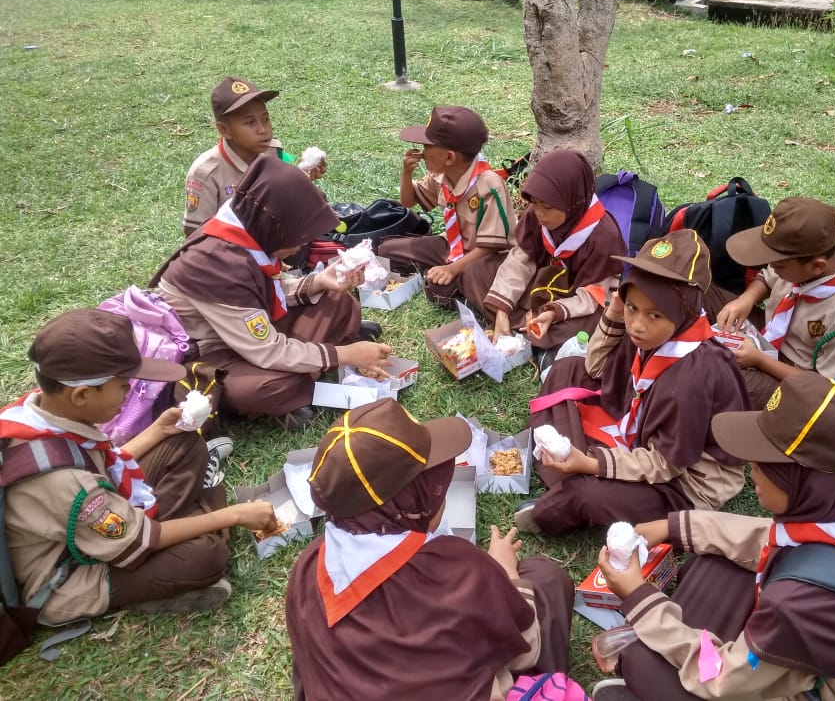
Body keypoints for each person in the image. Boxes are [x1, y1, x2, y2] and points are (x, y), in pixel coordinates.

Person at [590, 371, 835, 700]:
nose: (751, 467)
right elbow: (766, 539)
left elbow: (718, 677)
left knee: (642, 661)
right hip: (789, 653)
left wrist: (639, 598)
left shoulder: (799, 604)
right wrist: (672, 527)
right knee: (713, 563)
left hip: (767, 680)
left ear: (808, 482)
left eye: (766, 462)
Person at [285, 398, 575, 700]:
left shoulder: (306, 568)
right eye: (430, 480)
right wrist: (504, 573)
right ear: (409, 502)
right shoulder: (458, 569)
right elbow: (524, 651)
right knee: (545, 578)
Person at [2, 308, 277, 624]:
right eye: (123, 385)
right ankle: (195, 531)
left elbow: (104, 463)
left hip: (89, 525)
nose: (130, 391)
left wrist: (159, 429)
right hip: (70, 576)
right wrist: (234, 514)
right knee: (205, 556)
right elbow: (141, 539)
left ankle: (197, 515)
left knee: (183, 443)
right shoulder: (63, 480)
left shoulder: (38, 408)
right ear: (80, 395)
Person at [516, 229, 751, 536]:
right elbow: (594, 368)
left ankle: (570, 478)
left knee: (587, 497)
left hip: (684, 481)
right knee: (566, 370)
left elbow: (666, 465)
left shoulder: (695, 376)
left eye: (655, 314)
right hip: (640, 428)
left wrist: (590, 464)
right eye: (632, 307)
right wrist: (614, 314)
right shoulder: (652, 333)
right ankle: (571, 466)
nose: (638, 325)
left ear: (685, 312)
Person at [152, 155, 391, 429]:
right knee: (269, 388)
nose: (303, 245)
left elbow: (263, 291)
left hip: (246, 331)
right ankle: (300, 382)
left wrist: (319, 282)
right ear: (273, 228)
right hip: (212, 351)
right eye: (299, 238)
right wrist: (345, 356)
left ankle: (309, 368)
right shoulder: (213, 263)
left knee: (339, 301)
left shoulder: (245, 232)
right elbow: (265, 349)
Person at [715, 196, 835, 409]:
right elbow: (768, 278)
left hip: (795, 380)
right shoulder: (809, 255)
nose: (772, 266)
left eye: (778, 264)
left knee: (715, 378)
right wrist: (745, 299)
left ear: (817, 266)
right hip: (768, 335)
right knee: (694, 291)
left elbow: (824, 389)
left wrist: (759, 360)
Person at [376, 106, 517, 310]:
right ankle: (444, 274)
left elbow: (490, 246)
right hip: (452, 247)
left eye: (427, 148)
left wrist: (452, 269)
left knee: (438, 289)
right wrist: (406, 173)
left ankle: (458, 283)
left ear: (449, 157)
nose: (422, 154)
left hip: (485, 257)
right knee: (386, 250)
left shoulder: (489, 185)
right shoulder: (442, 175)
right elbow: (408, 201)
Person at [485, 149, 625, 351]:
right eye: (534, 204)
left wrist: (554, 313)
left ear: (572, 201)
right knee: (479, 272)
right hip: (542, 281)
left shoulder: (604, 235)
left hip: (581, 297)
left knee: (592, 322)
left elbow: (592, 296)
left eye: (548, 207)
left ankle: (534, 327)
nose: (539, 213)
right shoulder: (536, 214)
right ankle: (514, 322)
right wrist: (502, 310)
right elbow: (520, 260)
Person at [181, 76, 326, 237]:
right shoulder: (206, 172)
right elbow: (196, 234)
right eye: (250, 122)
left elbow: (279, 202)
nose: (263, 129)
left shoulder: (271, 152)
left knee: (317, 199)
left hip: (271, 246)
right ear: (224, 130)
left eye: (265, 119)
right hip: (228, 252)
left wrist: (301, 180)